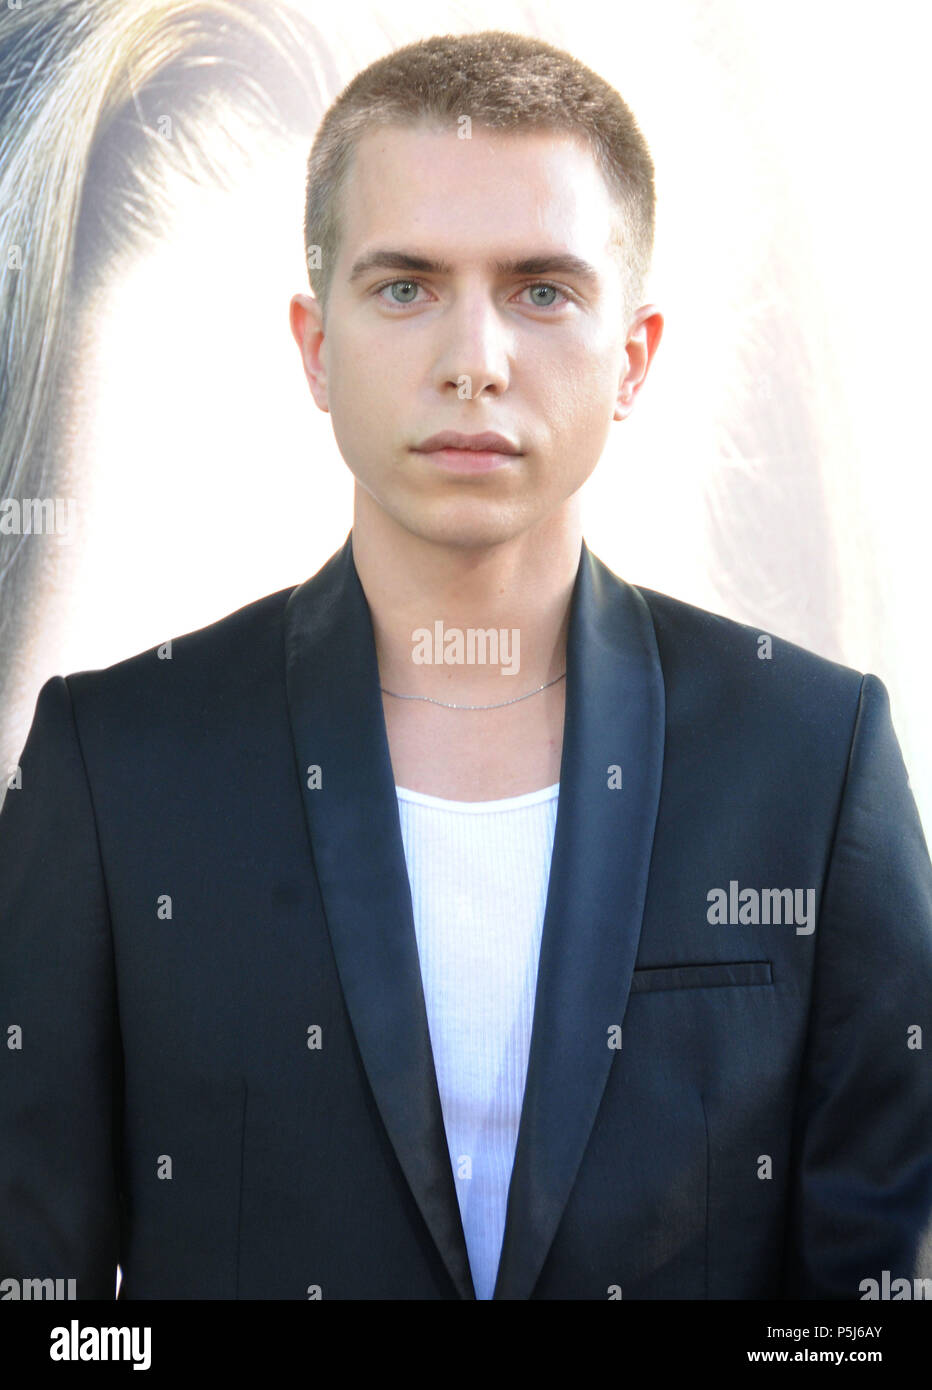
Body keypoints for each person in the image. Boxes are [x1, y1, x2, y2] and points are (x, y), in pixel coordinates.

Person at [1, 28, 931, 1302]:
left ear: (633, 356)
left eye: (541, 289)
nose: (474, 359)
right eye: (404, 286)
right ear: (314, 344)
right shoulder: (112, 761)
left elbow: (872, 1299)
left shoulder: (812, 761)